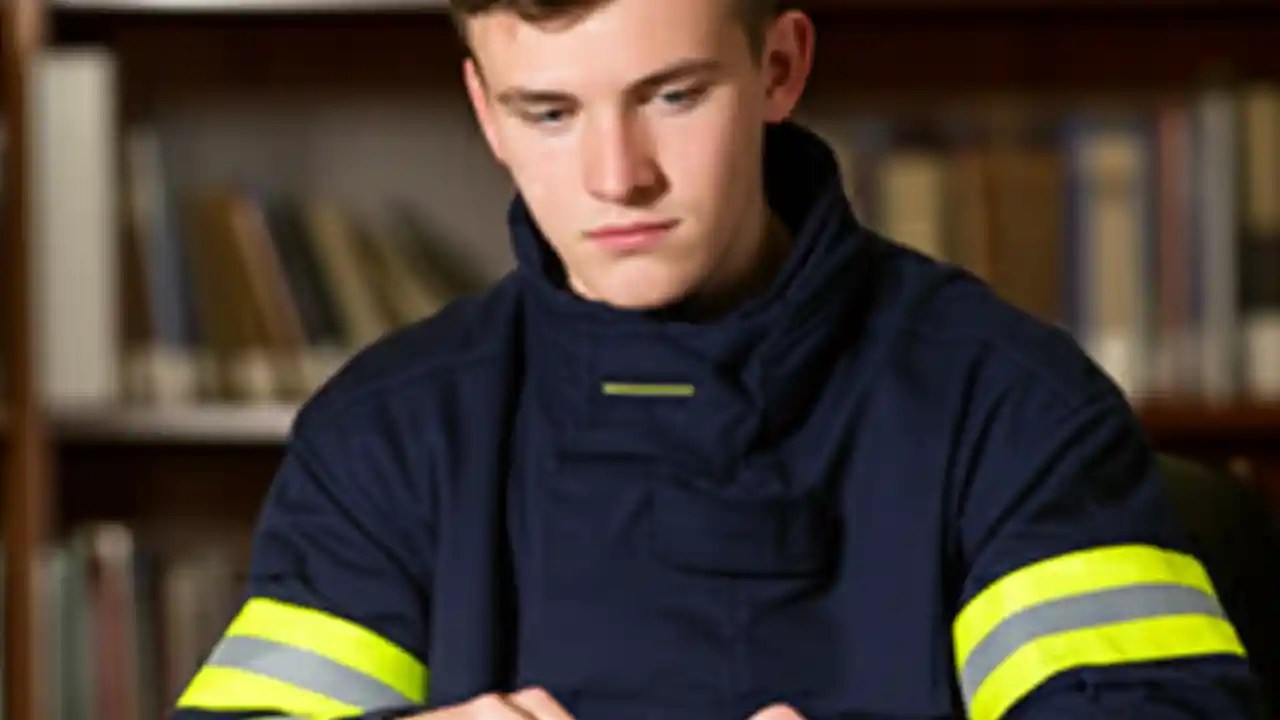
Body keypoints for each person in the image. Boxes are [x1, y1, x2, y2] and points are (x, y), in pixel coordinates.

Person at [172, 0, 1267, 718]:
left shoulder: (1008, 403)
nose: (618, 176)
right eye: (547, 112)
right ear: (484, 113)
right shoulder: (386, 434)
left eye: (673, 95)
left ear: (779, 67)